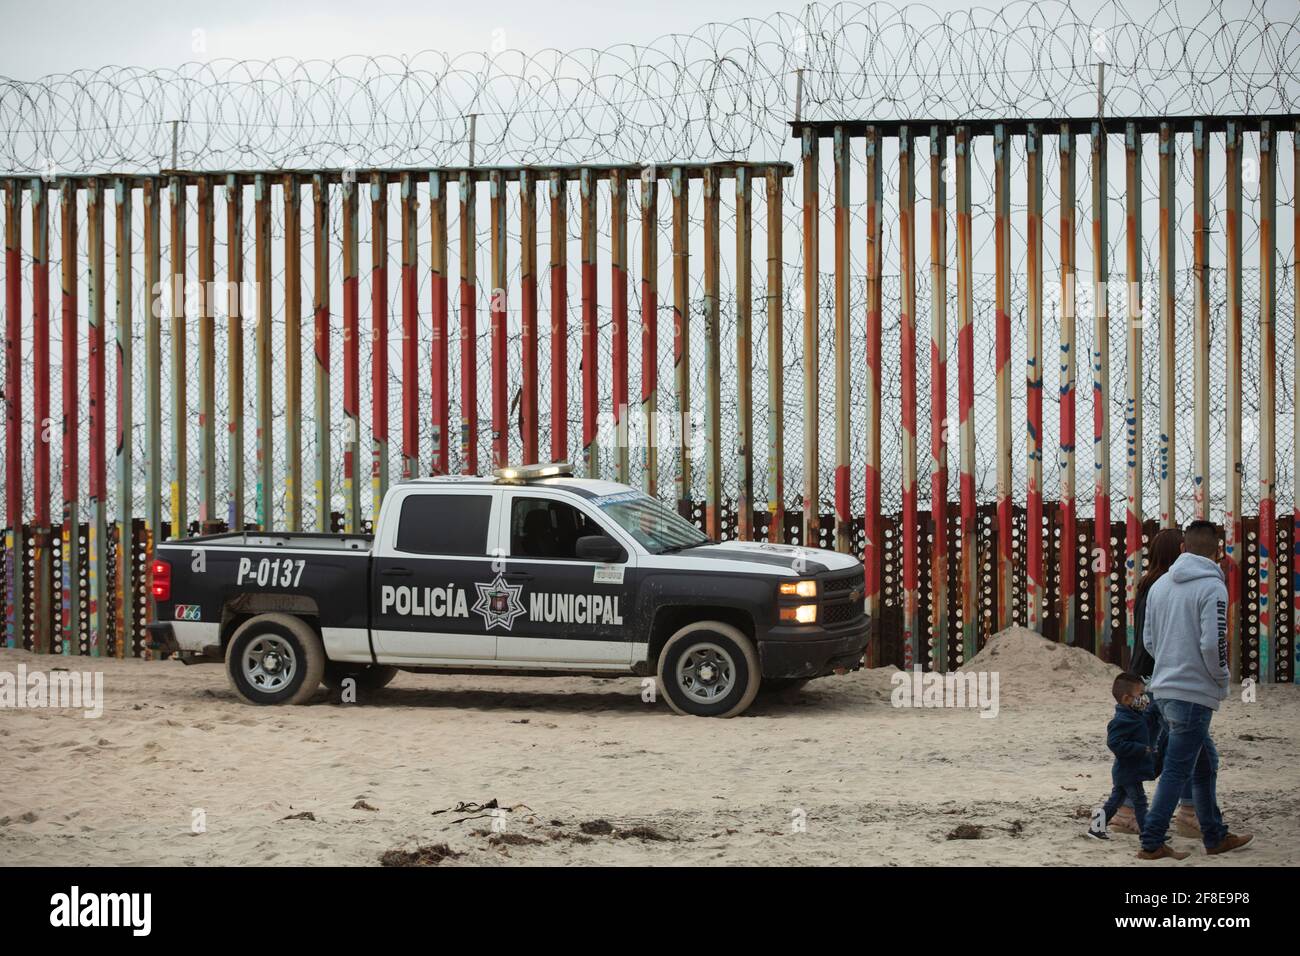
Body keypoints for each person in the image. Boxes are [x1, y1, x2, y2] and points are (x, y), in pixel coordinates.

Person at [1136, 519, 1252, 860]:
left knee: (1204, 763)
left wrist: (1170, 666)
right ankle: (1152, 842)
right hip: (1193, 693)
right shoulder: (1213, 588)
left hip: (1164, 688)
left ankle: (1215, 836)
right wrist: (1220, 679)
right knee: (1177, 769)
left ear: (1184, 548)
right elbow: (1213, 644)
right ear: (1218, 553)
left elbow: (1149, 641)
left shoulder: (1160, 587)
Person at [1112, 528, 1200, 838]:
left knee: (1142, 746)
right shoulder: (1167, 588)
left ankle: (1124, 812)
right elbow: (1157, 640)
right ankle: (1188, 812)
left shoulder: (1147, 585)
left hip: (1139, 676)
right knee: (1186, 742)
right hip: (1157, 679)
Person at [1087, 673, 1159, 840]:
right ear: (1127, 699)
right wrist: (1141, 749)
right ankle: (1148, 834)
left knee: (1115, 801)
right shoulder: (1122, 719)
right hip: (1128, 770)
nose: (1145, 698)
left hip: (1129, 770)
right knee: (1140, 802)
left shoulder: (1134, 715)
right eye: (1141, 695)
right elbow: (1114, 743)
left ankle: (1095, 828)